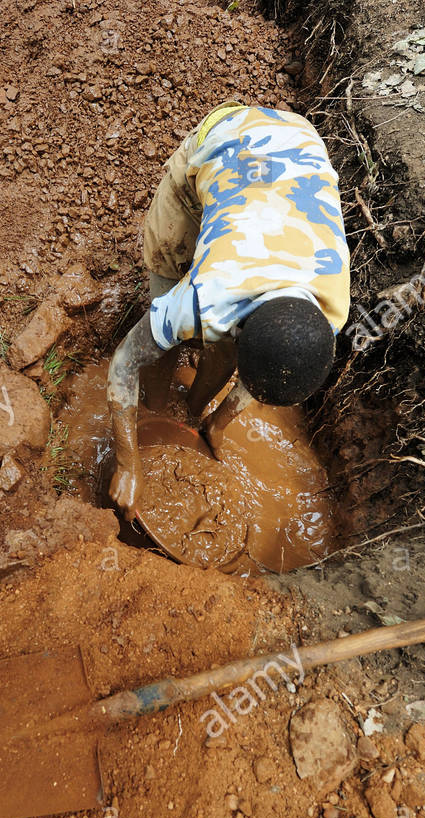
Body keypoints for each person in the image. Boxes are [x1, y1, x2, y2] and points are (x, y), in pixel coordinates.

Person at [106, 102, 350, 518]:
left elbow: (263, 375)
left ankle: (193, 409)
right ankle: (156, 401)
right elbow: (124, 363)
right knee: (165, 273)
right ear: (237, 326)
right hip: (223, 139)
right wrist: (129, 463)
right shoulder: (206, 295)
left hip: (297, 141)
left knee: (230, 353)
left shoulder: (329, 310)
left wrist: (215, 425)